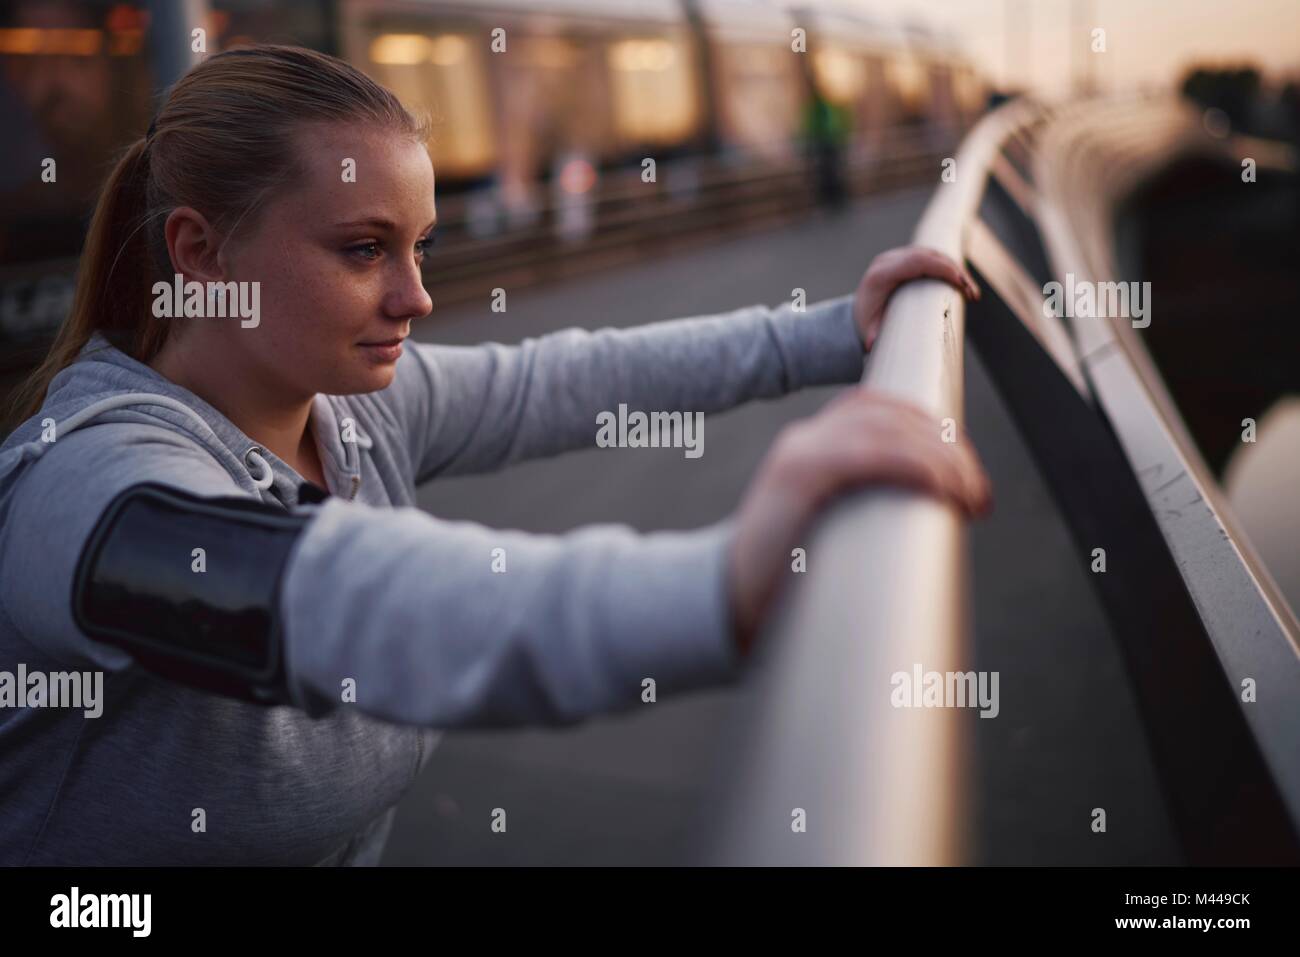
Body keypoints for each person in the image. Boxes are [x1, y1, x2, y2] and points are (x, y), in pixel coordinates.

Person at [0, 45, 990, 866]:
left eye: (420, 247)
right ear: (201, 252)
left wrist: (829, 333)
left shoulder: (347, 407)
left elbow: (567, 380)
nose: (415, 297)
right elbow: (336, 592)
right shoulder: (85, 487)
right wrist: (718, 584)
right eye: (362, 249)